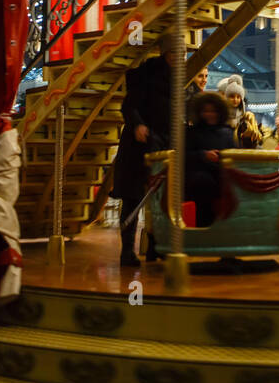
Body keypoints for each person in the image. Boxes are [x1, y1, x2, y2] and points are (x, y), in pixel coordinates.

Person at [111, 34, 178, 267]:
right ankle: (127, 250)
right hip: (139, 146)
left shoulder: (175, 80)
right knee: (133, 198)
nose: (178, 58)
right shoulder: (146, 76)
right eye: (174, 53)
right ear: (166, 54)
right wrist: (138, 125)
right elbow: (129, 106)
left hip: (162, 145)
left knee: (159, 199)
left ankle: (155, 246)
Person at [185, 92, 230, 228]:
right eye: (206, 111)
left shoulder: (227, 132)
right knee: (203, 182)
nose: (210, 114)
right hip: (199, 175)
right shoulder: (192, 132)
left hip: (222, 173)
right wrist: (204, 155)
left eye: (213, 111)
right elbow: (184, 156)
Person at [221, 75, 263, 148]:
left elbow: (258, 137)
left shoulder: (246, 115)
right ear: (227, 97)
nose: (235, 100)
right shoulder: (222, 114)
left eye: (238, 97)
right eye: (232, 96)